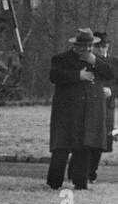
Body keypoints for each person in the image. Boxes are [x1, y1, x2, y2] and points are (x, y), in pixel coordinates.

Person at [47, 27, 114, 191]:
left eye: (90, 46)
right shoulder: (61, 59)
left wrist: (94, 61)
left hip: (89, 112)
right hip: (67, 112)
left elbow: (110, 74)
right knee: (61, 148)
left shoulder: (96, 60)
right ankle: (54, 182)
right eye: (84, 46)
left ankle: (80, 182)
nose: (88, 49)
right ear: (76, 46)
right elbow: (54, 76)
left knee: (84, 147)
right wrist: (78, 76)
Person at [89, 30, 114, 182]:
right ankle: (83, 170)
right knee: (88, 140)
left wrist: (112, 91)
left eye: (104, 46)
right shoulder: (88, 62)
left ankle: (92, 171)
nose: (101, 49)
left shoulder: (115, 62)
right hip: (90, 105)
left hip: (107, 106)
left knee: (101, 142)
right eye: (98, 46)